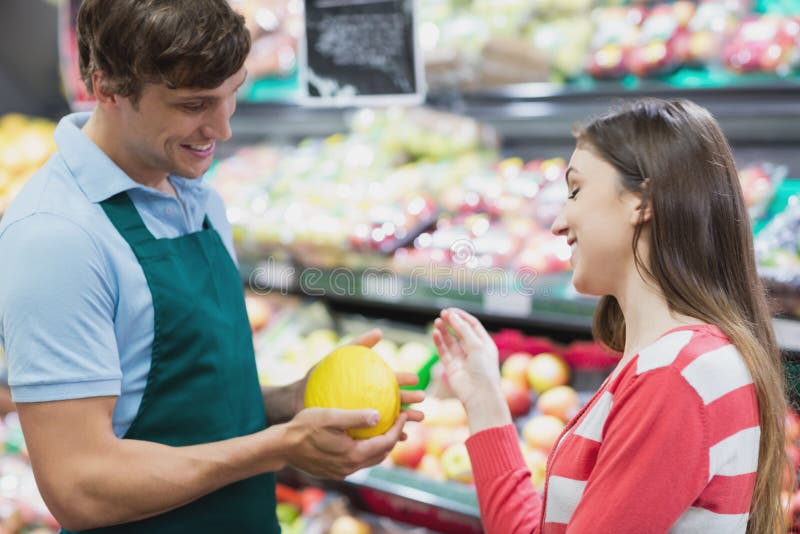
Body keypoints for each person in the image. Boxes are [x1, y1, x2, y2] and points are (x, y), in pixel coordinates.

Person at [0, 1, 423, 532]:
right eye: (194, 104)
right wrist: (277, 449)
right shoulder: (55, 237)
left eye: (232, 94)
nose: (221, 128)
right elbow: (80, 485)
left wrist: (290, 402)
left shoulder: (192, 191)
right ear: (107, 87)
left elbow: (190, 410)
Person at [433, 99, 789, 533]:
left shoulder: (675, 377)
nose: (559, 223)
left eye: (576, 190)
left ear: (642, 201)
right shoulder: (676, 364)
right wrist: (484, 399)